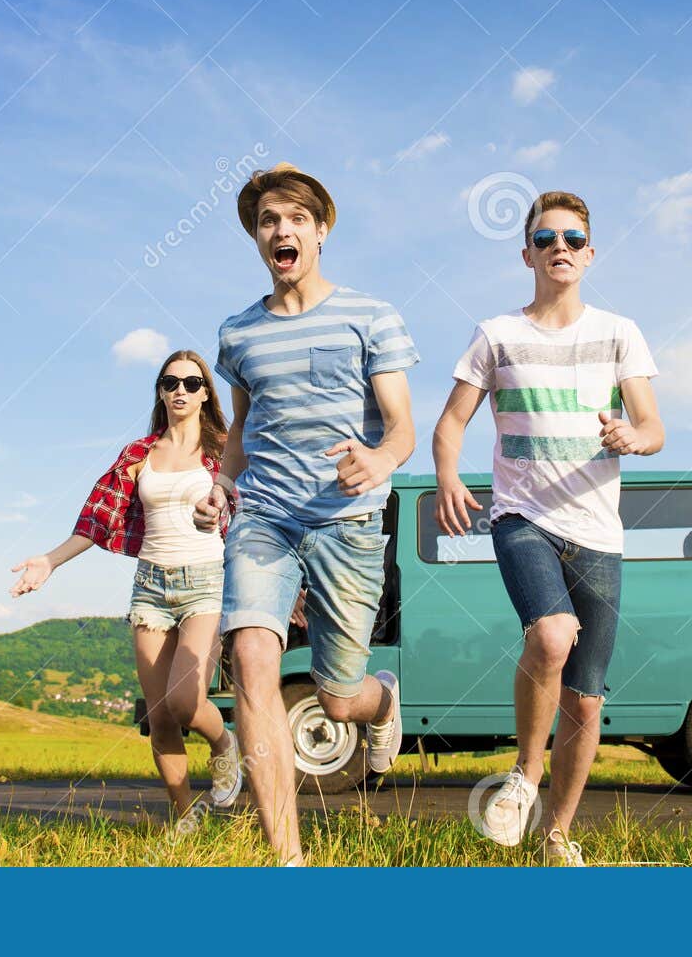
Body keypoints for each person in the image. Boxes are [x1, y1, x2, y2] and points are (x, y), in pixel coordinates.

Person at [192, 162, 419, 866]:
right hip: (265, 519)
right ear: (258, 239)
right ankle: (288, 861)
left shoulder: (369, 315)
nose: (280, 230)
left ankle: (379, 700)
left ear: (320, 232)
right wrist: (222, 487)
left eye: (294, 218)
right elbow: (241, 429)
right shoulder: (238, 334)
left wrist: (379, 461)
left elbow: (402, 426)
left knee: (336, 697)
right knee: (254, 659)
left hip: (346, 522)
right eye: (267, 220)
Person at [433, 191, 663, 866]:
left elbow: (653, 426)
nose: (558, 247)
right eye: (545, 238)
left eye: (572, 237)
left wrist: (634, 436)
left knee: (586, 701)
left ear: (589, 254)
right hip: (521, 516)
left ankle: (558, 833)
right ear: (528, 252)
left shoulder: (620, 332)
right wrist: (449, 475)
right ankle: (522, 777)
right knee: (552, 633)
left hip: (598, 533)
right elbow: (451, 423)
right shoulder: (497, 334)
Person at [9, 350, 243, 818]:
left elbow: (251, 507)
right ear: (160, 390)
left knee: (184, 701)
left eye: (192, 383)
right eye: (170, 382)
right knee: (159, 717)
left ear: (205, 394)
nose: (181, 390)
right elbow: (98, 519)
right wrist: (50, 561)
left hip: (206, 585)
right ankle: (184, 816)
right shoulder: (139, 454)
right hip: (151, 589)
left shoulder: (222, 449)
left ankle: (223, 742)